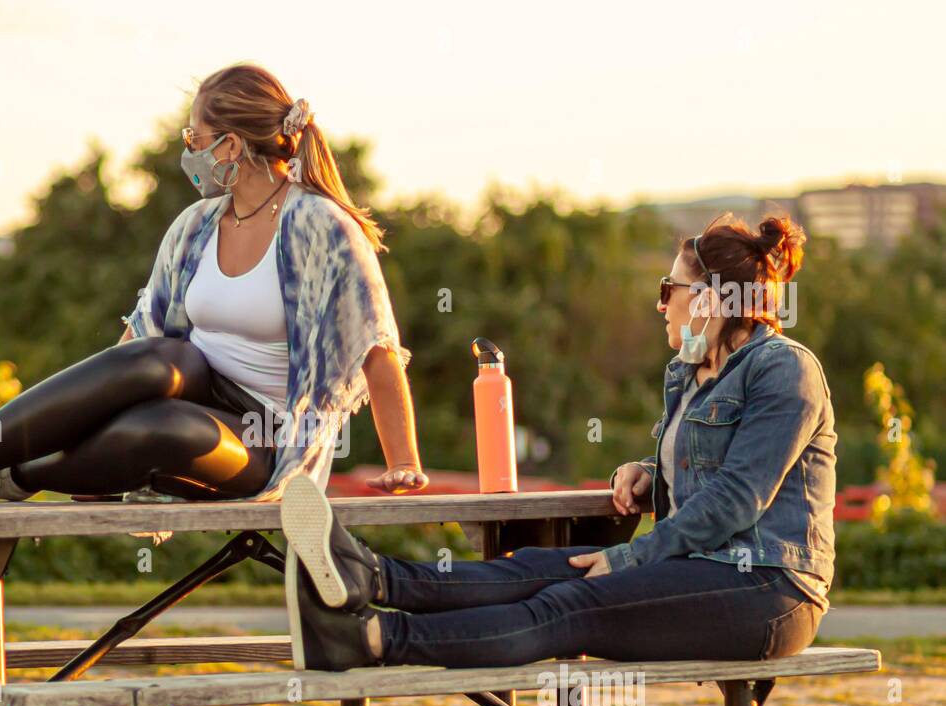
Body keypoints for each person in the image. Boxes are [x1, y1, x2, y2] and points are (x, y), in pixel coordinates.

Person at [280, 215, 836, 671]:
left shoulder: (784, 371)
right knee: (532, 567)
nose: (662, 304)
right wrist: (650, 471)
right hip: (694, 566)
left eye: (670, 290)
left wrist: (629, 556)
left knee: (570, 604)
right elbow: (710, 465)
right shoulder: (688, 375)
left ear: (712, 300)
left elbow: (737, 497)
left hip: (768, 589)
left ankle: (373, 640)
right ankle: (370, 576)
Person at [0, 64, 426, 504]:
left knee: (162, 426)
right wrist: (88, 414)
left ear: (230, 146)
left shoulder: (322, 228)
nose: (188, 151)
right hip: (198, 384)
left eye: (195, 136)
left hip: (267, 438)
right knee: (153, 357)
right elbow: (139, 341)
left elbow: (377, 348)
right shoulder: (196, 226)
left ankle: (9, 475)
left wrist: (404, 461)